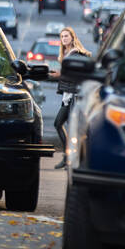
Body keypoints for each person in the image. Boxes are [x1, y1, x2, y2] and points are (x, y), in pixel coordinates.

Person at [52, 26, 90, 169]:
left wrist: (59, 74)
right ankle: (69, 157)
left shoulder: (76, 54)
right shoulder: (67, 54)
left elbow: (76, 75)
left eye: (66, 36)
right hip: (67, 95)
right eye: (62, 37)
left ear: (73, 38)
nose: (64, 39)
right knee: (61, 125)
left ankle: (71, 158)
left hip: (74, 96)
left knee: (62, 125)